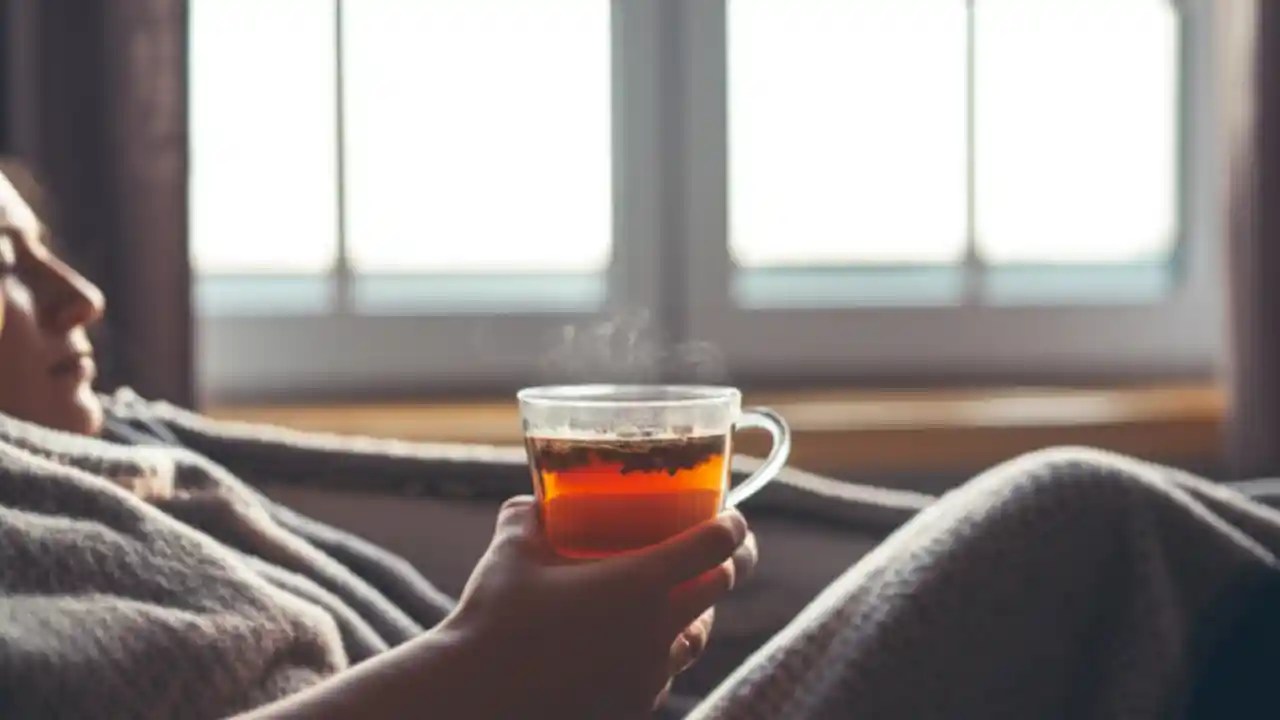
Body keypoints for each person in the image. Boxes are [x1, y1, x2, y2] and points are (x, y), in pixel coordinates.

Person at [2, 160, 1280, 719]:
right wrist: (477, 679)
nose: (78, 295)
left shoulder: (141, 465)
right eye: (4, 261)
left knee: (1150, 545)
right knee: (1073, 532)